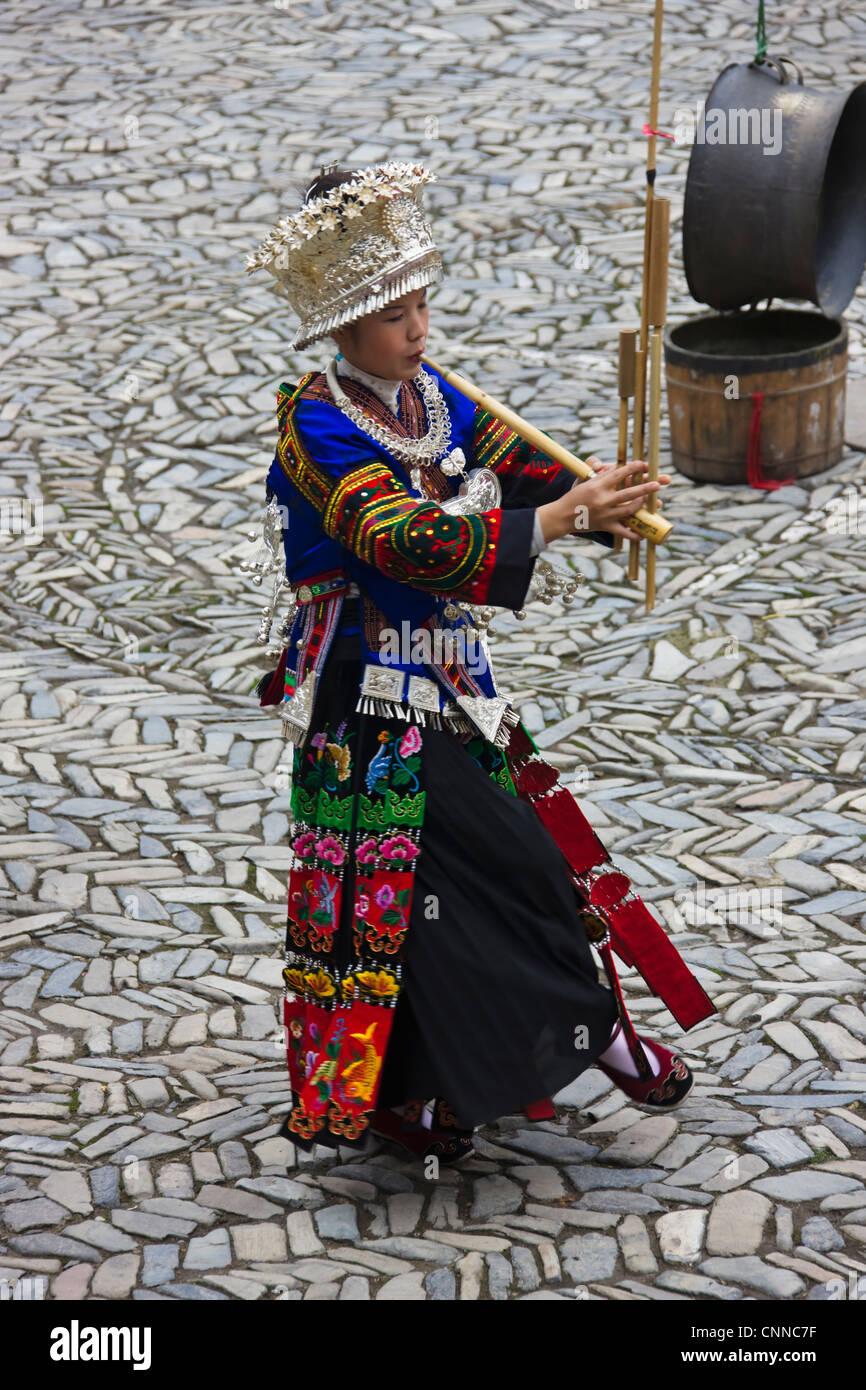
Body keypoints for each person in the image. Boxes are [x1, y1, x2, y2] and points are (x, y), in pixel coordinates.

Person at [245, 161, 715, 1165]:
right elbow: (401, 540)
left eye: (421, 304)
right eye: (391, 317)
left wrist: (604, 504)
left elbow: (524, 466)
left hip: (452, 681)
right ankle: (550, 1051)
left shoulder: (433, 398)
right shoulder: (315, 426)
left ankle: (468, 1077)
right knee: (426, 895)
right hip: (363, 698)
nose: (416, 329)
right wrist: (551, 521)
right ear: (339, 329)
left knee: (515, 868)